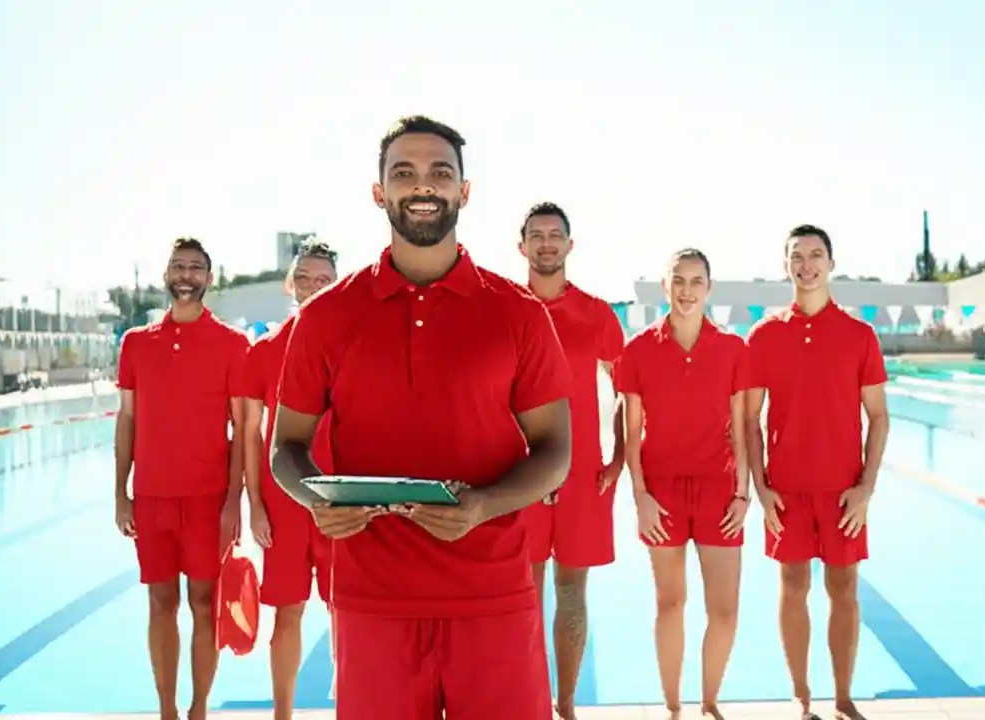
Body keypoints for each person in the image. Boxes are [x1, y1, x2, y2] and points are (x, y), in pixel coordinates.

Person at [269, 115, 574, 720]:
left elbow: (555, 451)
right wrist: (315, 497)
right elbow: (287, 446)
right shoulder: (328, 316)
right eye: (403, 173)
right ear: (379, 192)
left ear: (465, 190)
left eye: (440, 171)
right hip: (371, 599)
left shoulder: (517, 314)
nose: (422, 185)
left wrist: (483, 505)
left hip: (493, 593)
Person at [743, 225, 889, 720]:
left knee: (844, 590)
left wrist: (866, 488)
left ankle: (843, 697)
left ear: (831, 262)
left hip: (844, 491)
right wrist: (761, 489)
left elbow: (880, 416)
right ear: (786, 264)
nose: (807, 265)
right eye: (797, 257)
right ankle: (801, 696)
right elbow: (749, 419)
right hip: (785, 490)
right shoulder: (764, 335)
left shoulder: (858, 334)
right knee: (793, 587)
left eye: (816, 255)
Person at [113, 237, 250, 720]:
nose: (186, 275)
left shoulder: (233, 345)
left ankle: (198, 709)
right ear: (167, 274)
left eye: (196, 268)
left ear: (209, 279)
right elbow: (126, 421)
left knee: (205, 602)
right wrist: (120, 494)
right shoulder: (136, 343)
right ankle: (167, 709)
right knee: (160, 601)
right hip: (151, 497)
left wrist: (234, 501)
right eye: (179, 266)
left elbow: (242, 428)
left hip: (208, 498)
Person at [616, 248, 753, 720]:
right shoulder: (638, 351)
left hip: (719, 492)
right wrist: (641, 498)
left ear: (709, 289)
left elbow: (741, 427)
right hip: (663, 492)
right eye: (679, 280)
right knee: (670, 603)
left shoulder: (733, 350)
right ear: (665, 285)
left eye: (696, 281)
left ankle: (709, 703)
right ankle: (674, 708)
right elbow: (631, 434)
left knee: (725, 610)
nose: (687, 291)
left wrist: (743, 493)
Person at [517, 201, 626, 720]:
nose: (545, 243)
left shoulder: (597, 314)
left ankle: (565, 707)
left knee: (571, 592)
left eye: (554, 235)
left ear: (569, 244)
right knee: (522, 593)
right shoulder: (506, 308)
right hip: (518, 475)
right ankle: (528, 703)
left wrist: (620, 457)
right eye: (536, 235)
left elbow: (627, 390)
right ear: (522, 246)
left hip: (584, 476)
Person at [240, 238, 339, 719]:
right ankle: (283, 714)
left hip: (340, 499)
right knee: (288, 611)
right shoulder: (264, 351)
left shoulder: (352, 346)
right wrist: (254, 504)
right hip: (282, 504)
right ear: (291, 284)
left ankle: (355, 708)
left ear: (336, 285)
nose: (314, 288)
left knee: (347, 612)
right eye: (305, 279)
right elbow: (251, 437)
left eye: (324, 280)